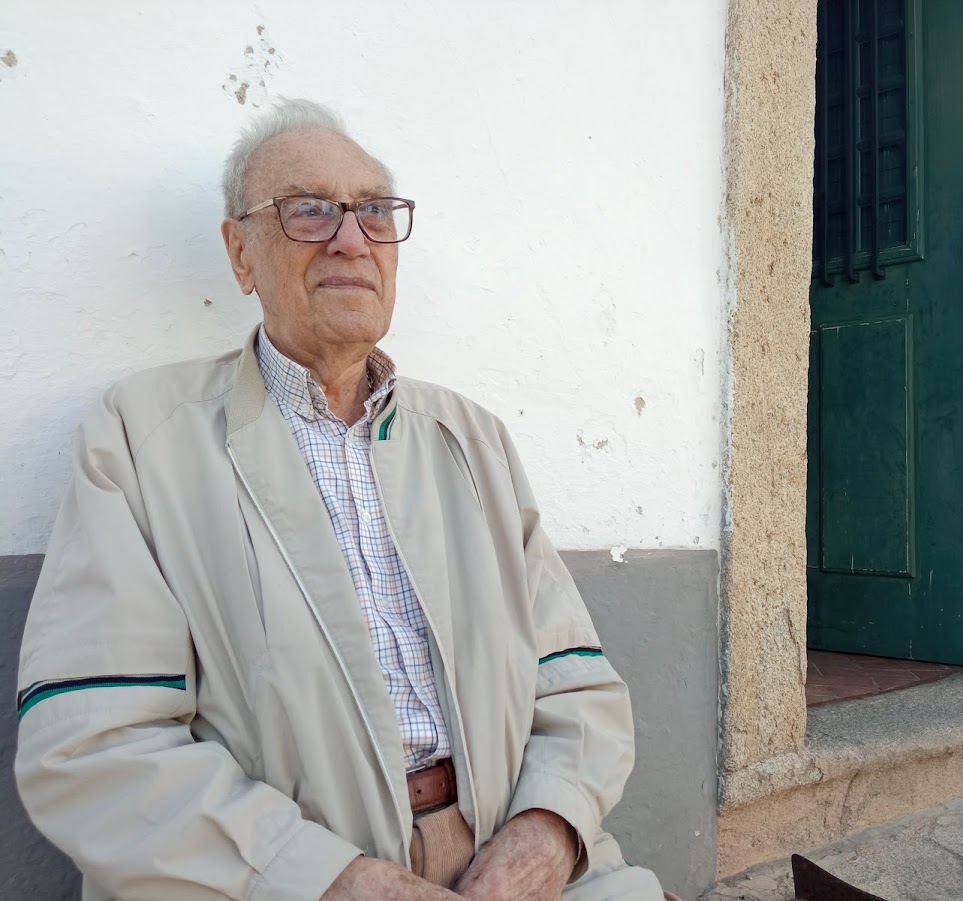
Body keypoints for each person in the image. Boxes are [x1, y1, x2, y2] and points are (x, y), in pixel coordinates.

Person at [15, 98, 675, 901]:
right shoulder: (139, 439)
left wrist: (545, 833)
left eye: (374, 211)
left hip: (513, 862)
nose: (351, 239)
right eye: (309, 210)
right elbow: (92, 744)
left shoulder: (472, 441)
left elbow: (575, 685)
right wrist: (333, 880)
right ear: (240, 253)